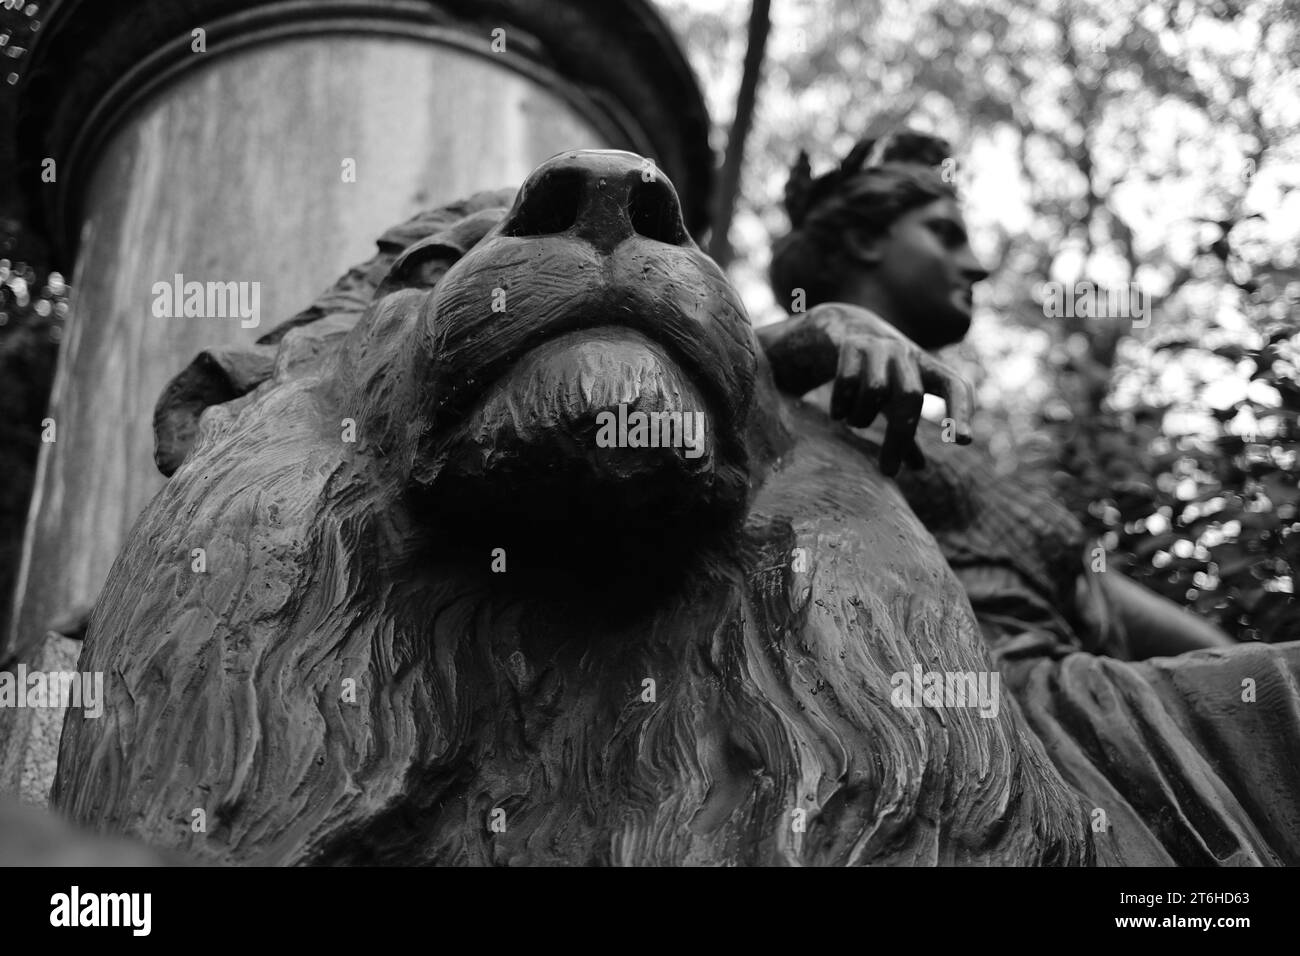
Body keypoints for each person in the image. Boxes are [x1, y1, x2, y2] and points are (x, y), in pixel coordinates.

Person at [757, 129, 1300, 865]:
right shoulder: (782, 403)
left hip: (1079, 696)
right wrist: (812, 332)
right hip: (965, 710)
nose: (975, 266)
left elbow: (1167, 630)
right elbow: (678, 386)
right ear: (861, 241)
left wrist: (1252, 691)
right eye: (944, 235)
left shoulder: (971, 451)